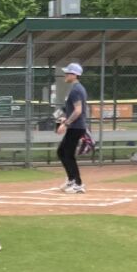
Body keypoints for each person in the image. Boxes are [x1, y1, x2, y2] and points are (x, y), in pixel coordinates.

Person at [55, 62, 88, 193]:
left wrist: (66, 124)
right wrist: (64, 118)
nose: (66, 74)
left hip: (76, 127)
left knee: (67, 154)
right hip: (75, 126)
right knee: (62, 152)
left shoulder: (76, 90)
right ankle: (71, 179)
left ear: (74, 75)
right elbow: (73, 109)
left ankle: (78, 183)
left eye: (68, 72)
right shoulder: (76, 88)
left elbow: (78, 110)